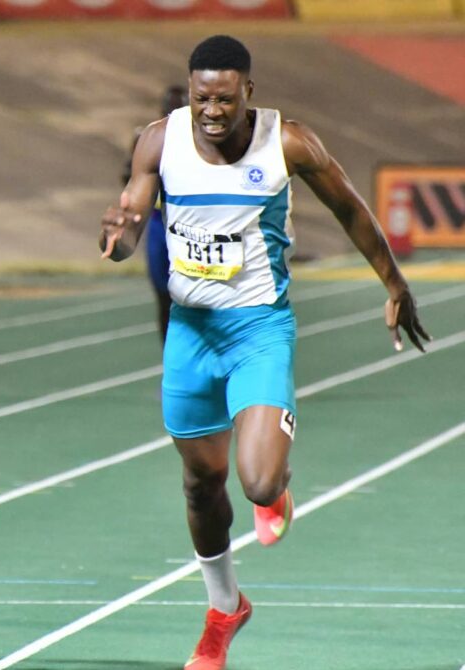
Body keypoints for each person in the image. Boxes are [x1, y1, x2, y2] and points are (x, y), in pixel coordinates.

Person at [99, 35, 429, 669]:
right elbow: (130, 220)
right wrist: (118, 237)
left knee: (257, 481)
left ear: (248, 92)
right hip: (190, 332)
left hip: (259, 330)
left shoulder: (289, 142)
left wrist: (395, 284)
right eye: (201, 98)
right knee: (201, 486)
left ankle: (277, 486)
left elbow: (350, 208)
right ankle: (224, 610)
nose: (211, 112)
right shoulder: (158, 141)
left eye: (225, 99)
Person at [121, 85, 188, 343]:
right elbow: (128, 176)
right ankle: (169, 355)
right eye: (169, 111)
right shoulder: (150, 137)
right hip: (159, 220)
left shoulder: (201, 140)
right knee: (162, 291)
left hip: (190, 219)